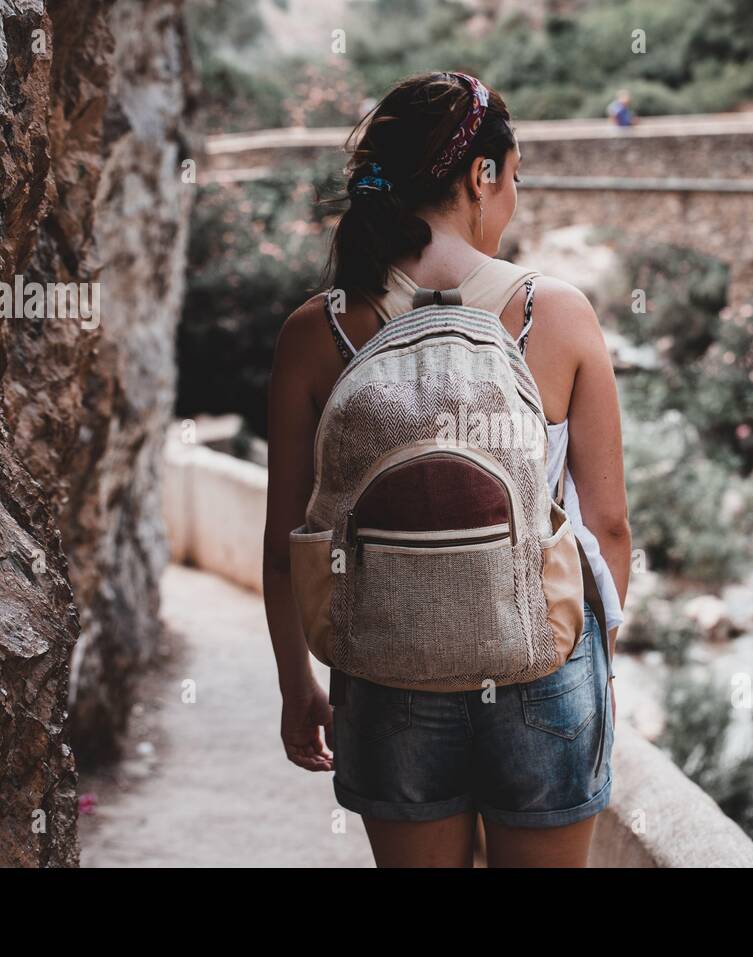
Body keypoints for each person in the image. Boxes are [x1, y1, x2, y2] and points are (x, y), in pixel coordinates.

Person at [262, 71, 630, 867]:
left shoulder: (315, 330)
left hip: (389, 673)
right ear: (480, 176)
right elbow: (607, 527)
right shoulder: (556, 313)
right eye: (515, 180)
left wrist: (299, 689)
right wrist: (591, 672)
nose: (514, 201)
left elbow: (285, 542)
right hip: (542, 666)